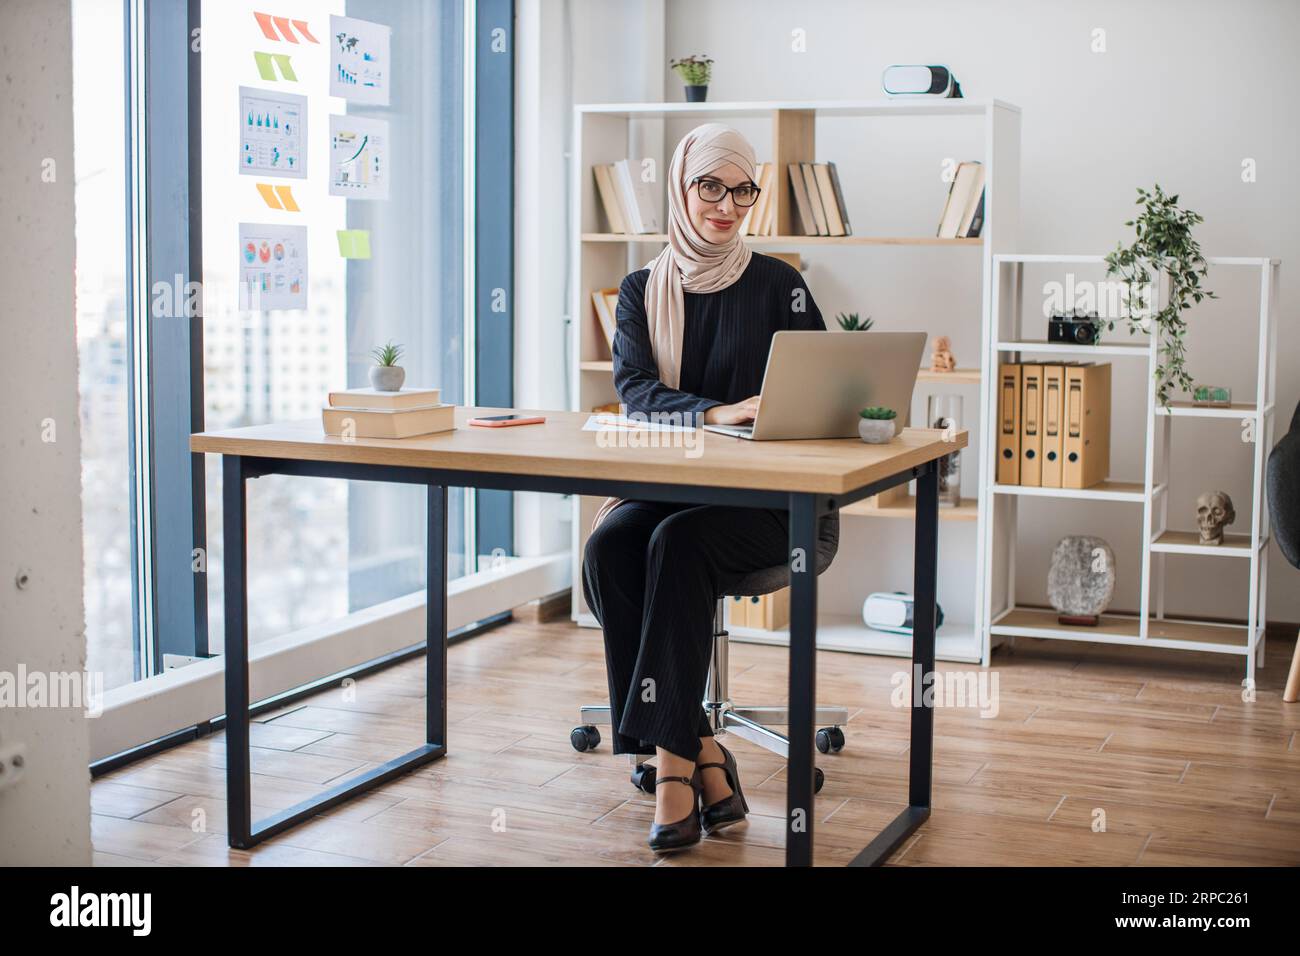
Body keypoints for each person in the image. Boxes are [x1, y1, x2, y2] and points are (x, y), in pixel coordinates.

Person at [582, 123, 826, 853]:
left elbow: (821, 391)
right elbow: (633, 392)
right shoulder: (639, 290)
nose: (725, 204)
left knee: (676, 544)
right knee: (612, 545)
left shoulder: (780, 284)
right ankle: (701, 747)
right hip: (672, 491)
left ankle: (675, 774)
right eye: (709, 186)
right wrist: (720, 413)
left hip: (776, 506)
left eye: (742, 189)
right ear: (682, 188)